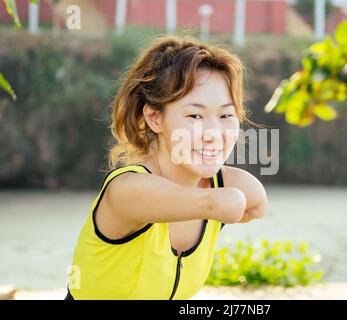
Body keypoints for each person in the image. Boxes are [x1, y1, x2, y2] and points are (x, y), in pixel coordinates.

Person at [65, 35, 268, 300]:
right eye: (195, 115)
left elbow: (256, 202)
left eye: (226, 116)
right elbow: (234, 202)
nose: (214, 133)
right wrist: (228, 194)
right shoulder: (127, 190)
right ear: (154, 117)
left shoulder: (220, 187)